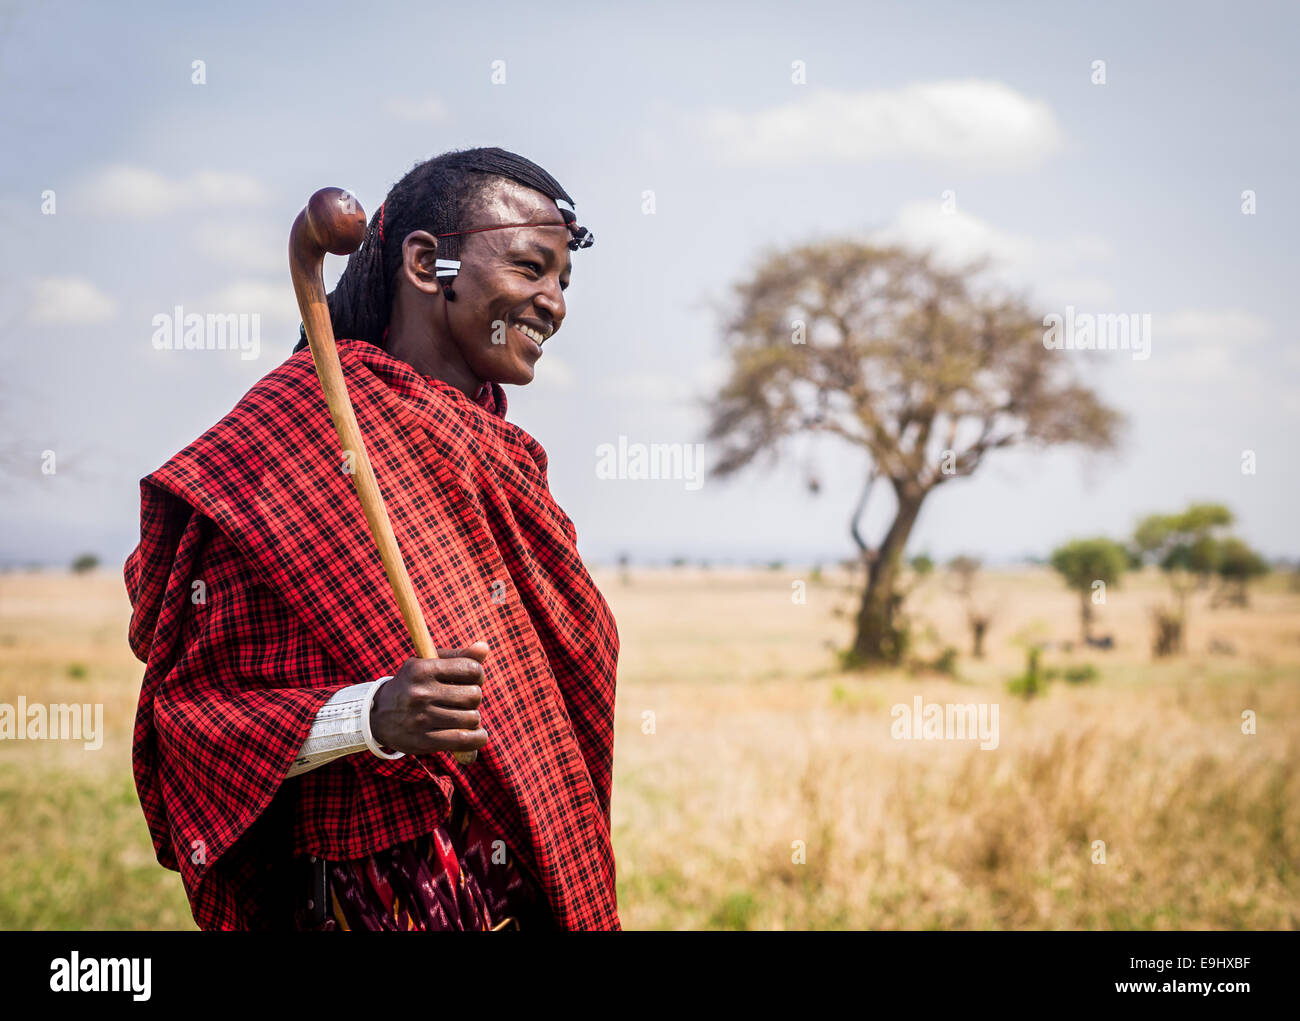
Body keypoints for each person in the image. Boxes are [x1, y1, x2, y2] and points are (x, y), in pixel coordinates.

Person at [125, 147, 620, 931]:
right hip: (365, 904)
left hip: (518, 897)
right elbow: (192, 727)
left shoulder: (501, 457)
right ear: (428, 261)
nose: (553, 303)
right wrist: (371, 716)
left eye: (564, 280)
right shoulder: (294, 439)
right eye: (531, 268)